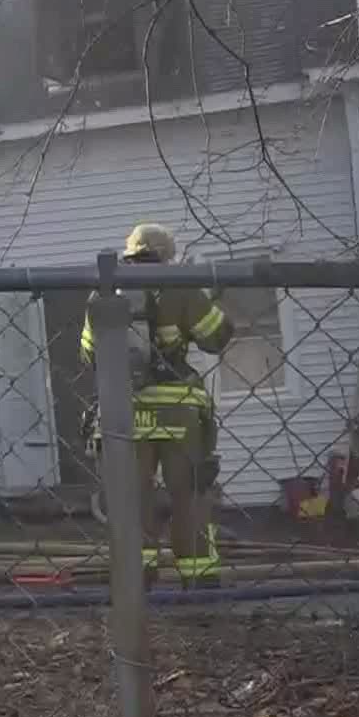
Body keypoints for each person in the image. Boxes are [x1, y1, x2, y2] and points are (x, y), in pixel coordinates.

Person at [81, 223, 232, 582]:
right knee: (188, 493)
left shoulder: (103, 291)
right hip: (178, 409)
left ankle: (138, 577)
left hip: (125, 410)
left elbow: (89, 354)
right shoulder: (180, 286)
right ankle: (198, 576)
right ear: (166, 255)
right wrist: (208, 300)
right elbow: (216, 338)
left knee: (132, 498)